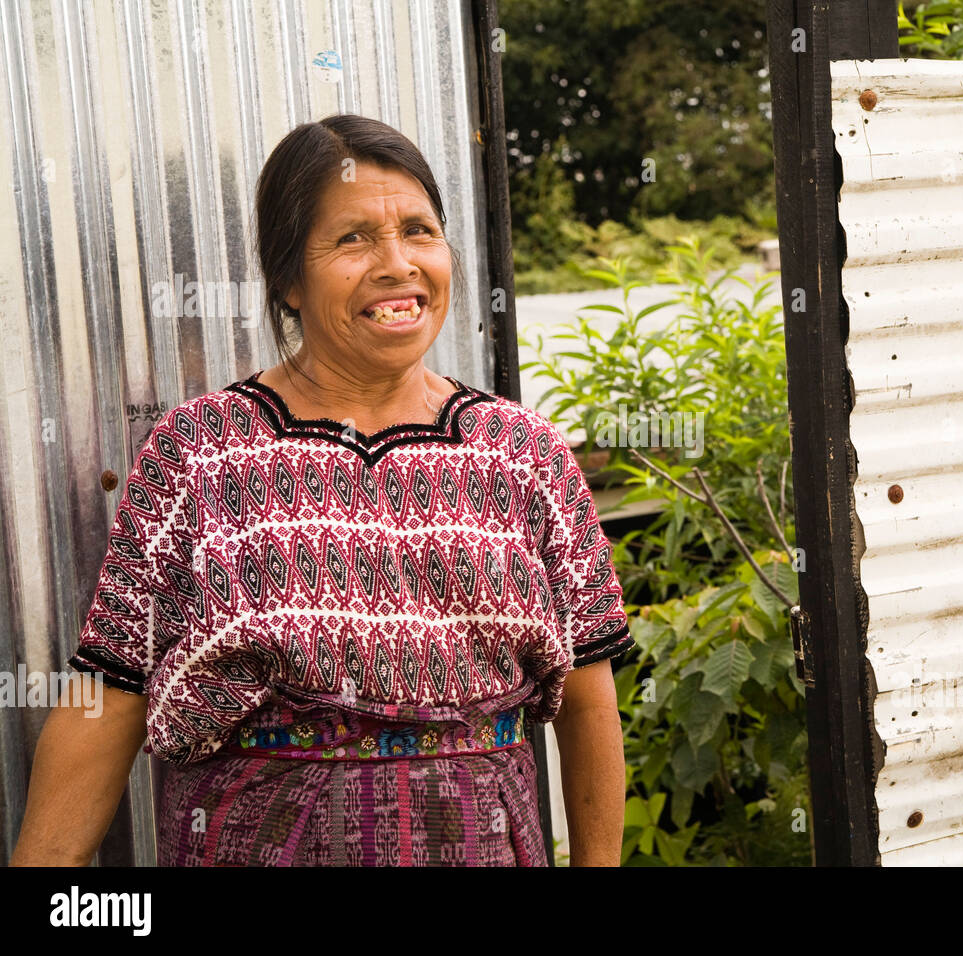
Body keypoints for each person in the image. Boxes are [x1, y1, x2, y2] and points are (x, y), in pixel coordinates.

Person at [11, 114, 633, 867]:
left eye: (418, 230)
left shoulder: (522, 453)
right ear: (286, 280)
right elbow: (113, 692)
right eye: (352, 239)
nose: (397, 263)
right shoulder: (201, 452)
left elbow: (591, 697)